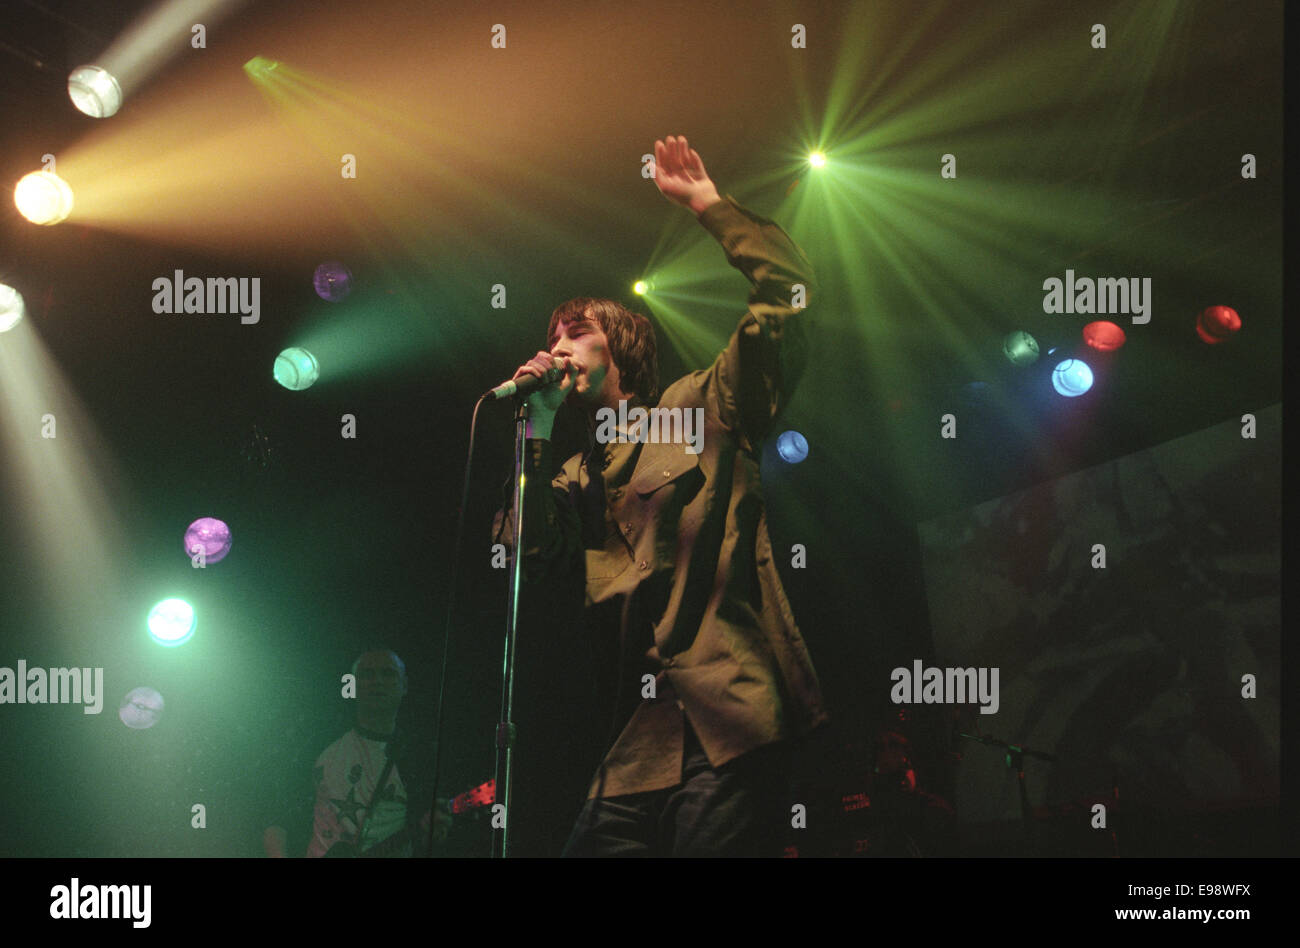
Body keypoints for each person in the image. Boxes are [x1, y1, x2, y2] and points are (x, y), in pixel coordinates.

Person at [496, 135, 828, 856]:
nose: (556, 348)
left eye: (574, 334)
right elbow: (519, 549)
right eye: (549, 337)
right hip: (633, 749)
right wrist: (538, 434)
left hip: (728, 719)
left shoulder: (693, 409)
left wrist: (709, 206)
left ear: (620, 347)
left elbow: (788, 297)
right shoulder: (570, 474)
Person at [263, 648, 448, 857]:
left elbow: (425, 839)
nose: (377, 681)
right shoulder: (320, 744)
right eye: (367, 674)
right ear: (351, 685)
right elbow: (278, 816)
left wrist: (433, 832)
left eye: (388, 674)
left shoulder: (417, 758)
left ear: (404, 685)